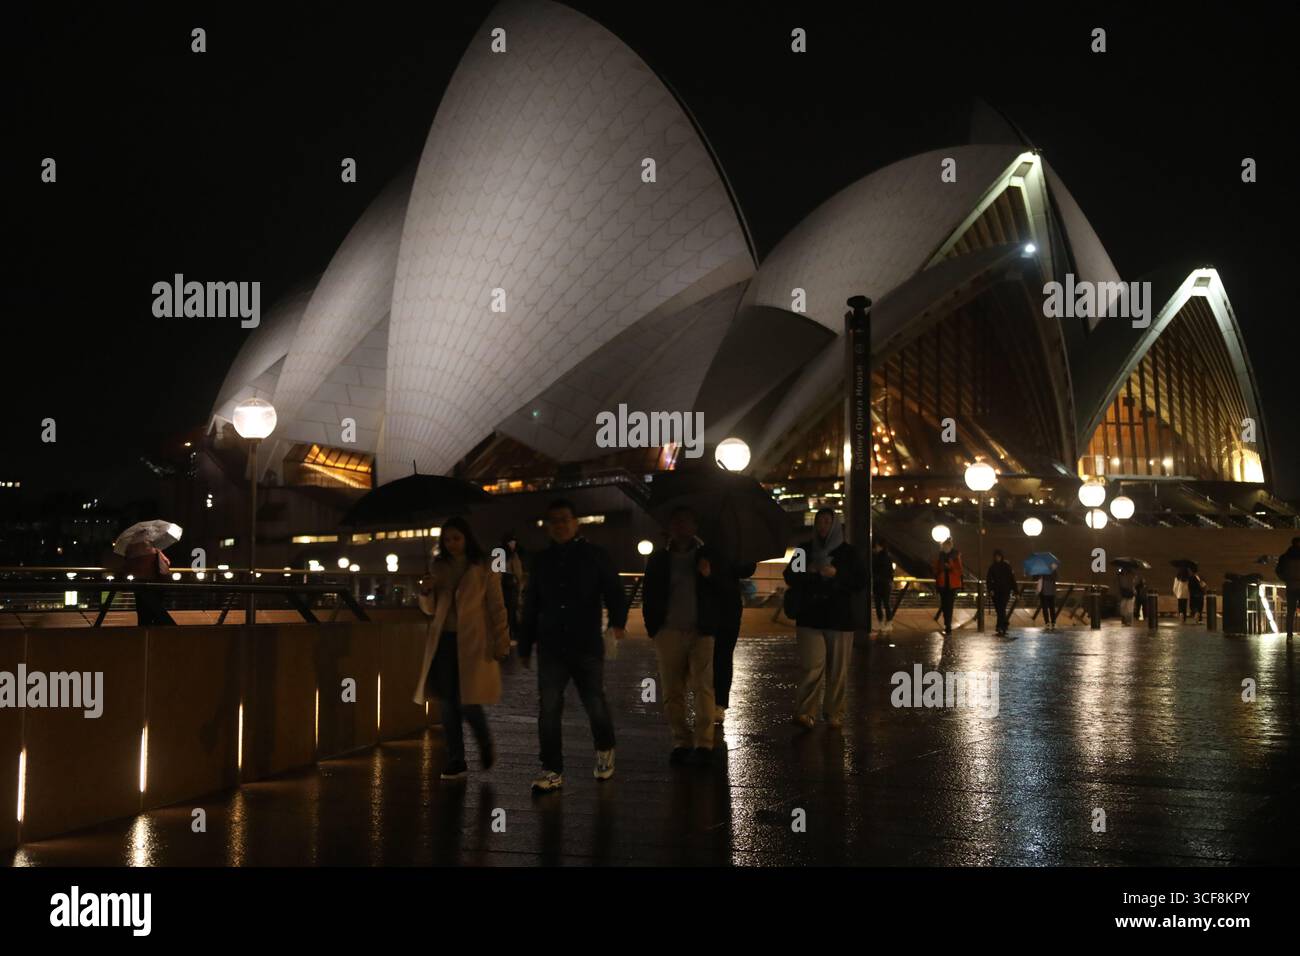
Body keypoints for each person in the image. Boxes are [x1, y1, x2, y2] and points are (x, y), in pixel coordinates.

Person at [519, 499, 627, 792]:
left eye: (565, 519)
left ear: (575, 523)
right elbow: (532, 604)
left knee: (594, 701)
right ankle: (551, 768)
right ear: (548, 527)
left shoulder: (594, 556)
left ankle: (605, 748)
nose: (560, 525)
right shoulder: (542, 561)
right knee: (549, 707)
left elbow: (614, 590)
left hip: (586, 642)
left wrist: (618, 621)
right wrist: (525, 643)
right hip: (551, 644)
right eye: (554, 520)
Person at [413, 517, 511, 781]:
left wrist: (502, 641)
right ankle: (456, 759)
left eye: (456, 538)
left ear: (466, 537)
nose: (452, 543)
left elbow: (497, 607)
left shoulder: (484, 567)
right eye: (447, 539)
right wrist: (425, 592)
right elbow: (430, 610)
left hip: (473, 641)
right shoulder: (438, 567)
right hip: (443, 641)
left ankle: (484, 742)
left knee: (467, 700)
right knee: (447, 703)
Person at [642, 507, 732, 766]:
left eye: (687, 521)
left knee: (703, 687)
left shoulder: (709, 556)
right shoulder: (659, 559)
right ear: (670, 527)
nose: (681, 526)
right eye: (676, 521)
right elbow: (650, 595)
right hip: (668, 632)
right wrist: (654, 629)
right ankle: (680, 740)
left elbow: (726, 591)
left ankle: (704, 743)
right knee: (672, 690)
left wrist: (709, 575)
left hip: (701, 631)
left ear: (695, 526)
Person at [782, 508, 867, 729]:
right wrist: (808, 571)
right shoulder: (805, 550)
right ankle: (805, 712)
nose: (822, 526)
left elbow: (860, 581)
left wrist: (836, 575)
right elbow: (790, 576)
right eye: (819, 522)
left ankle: (833, 713)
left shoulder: (847, 553)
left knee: (837, 670)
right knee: (811, 666)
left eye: (827, 522)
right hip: (810, 615)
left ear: (835, 525)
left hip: (839, 618)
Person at [123, 541, 175, 626]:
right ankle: (159, 634)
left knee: (142, 614)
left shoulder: (131, 548)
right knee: (157, 612)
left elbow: (127, 567)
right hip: (155, 583)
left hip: (139, 583)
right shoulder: (152, 549)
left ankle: (144, 634)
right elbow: (166, 562)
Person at [499, 531, 526, 643]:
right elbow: (518, 572)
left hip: (505, 586)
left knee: (508, 612)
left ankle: (509, 634)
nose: (513, 544)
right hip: (508, 586)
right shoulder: (509, 555)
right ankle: (509, 634)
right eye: (511, 542)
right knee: (509, 611)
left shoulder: (503, 554)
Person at [932, 538, 964, 636]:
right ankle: (947, 623)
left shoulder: (955, 556)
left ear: (951, 546)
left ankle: (948, 625)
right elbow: (936, 569)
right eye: (945, 546)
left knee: (949, 605)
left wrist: (950, 566)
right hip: (942, 584)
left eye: (948, 545)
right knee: (944, 605)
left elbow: (959, 570)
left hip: (952, 585)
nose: (946, 547)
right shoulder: (940, 556)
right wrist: (942, 567)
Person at [985, 549, 1016, 636]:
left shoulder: (1004, 566)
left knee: (1001, 608)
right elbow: (989, 580)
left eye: (998, 556)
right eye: (996, 556)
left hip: (1004, 591)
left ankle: (1000, 626)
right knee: (1000, 609)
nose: (997, 558)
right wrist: (990, 589)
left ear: (1001, 557)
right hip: (996, 592)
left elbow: (1012, 579)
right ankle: (1004, 624)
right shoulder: (994, 567)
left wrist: (1015, 590)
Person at [1274, 537, 1300, 638]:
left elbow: (1278, 571)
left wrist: (1286, 579)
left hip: (1291, 587)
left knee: (1290, 612)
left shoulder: (1285, 557)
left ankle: (1289, 635)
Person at [870, 539, 895, 634]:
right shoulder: (886, 557)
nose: (875, 548)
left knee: (882, 603)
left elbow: (888, 571)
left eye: (876, 546)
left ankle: (886, 623)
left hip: (881, 583)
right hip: (883, 583)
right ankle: (885, 623)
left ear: (880, 546)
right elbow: (891, 571)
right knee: (883, 603)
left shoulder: (881, 557)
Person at [1037, 562, 1059, 631]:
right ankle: (1053, 622)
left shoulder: (1042, 571)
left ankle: (1047, 622)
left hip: (1044, 592)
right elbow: (1056, 578)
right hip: (1051, 591)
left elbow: (1038, 580)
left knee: (1045, 608)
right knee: (1052, 607)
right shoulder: (1054, 570)